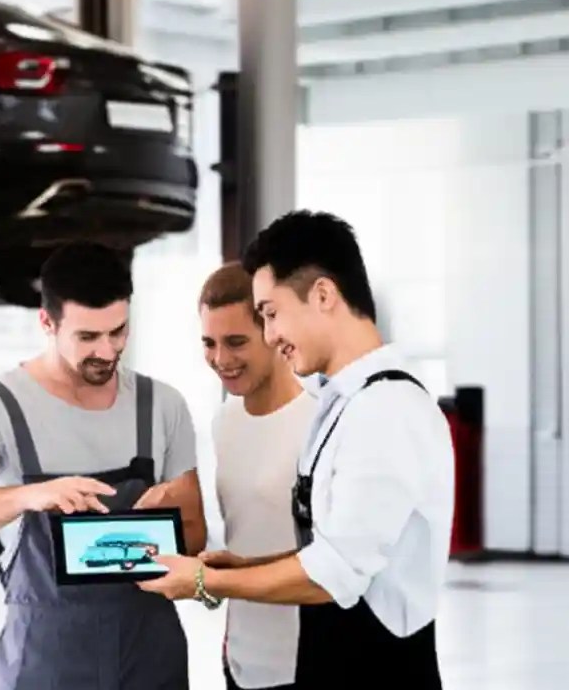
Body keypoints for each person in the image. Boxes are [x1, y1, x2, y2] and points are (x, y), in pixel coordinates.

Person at [138, 210, 454, 689]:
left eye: (270, 313)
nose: (270, 335)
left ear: (323, 295)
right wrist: (247, 565)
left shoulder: (386, 408)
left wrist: (205, 583)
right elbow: (337, 545)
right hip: (329, 664)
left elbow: (337, 573)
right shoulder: (344, 402)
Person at [0, 240, 207, 690]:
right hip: (45, 660)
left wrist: (158, 524)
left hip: (148, 656)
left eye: (118, 331)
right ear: (47, 323)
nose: (107, 351)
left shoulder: (162, 406)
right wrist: (31, 495)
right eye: (87, 337)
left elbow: (195, 532)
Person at [198, 261, 317, 690]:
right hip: (241, 659)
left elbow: (334, 562)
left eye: (235, 342)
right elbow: (244, 536)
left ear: (273, 331)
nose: (220, 359)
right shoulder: (223, 423)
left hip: (305, 663)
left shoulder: (319, 423)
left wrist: (223, 577)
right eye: (209, 343)